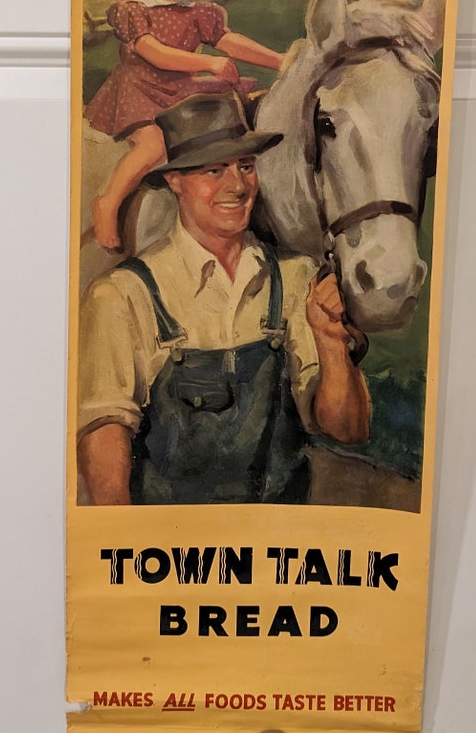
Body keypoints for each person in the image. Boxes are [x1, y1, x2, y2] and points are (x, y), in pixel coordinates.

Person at [77, 92, 371, 506]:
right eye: (214, 171)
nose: (237, 186)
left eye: (246, 167)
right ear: (175, 182)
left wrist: (332, 342)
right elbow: (105, 449)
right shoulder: (121, 296)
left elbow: (349, 430)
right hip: (174, 551)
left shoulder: (296, 277)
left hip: (278, 541)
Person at [84, 0, 284, 251]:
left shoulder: (197, 11)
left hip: (181, 95)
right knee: (154, 145)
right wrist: (208, 61)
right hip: (140, 92)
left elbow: (227, 40)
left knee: (224, 140)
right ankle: (108, 202)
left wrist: (283, 60)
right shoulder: (134, 10)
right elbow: (155, 53)